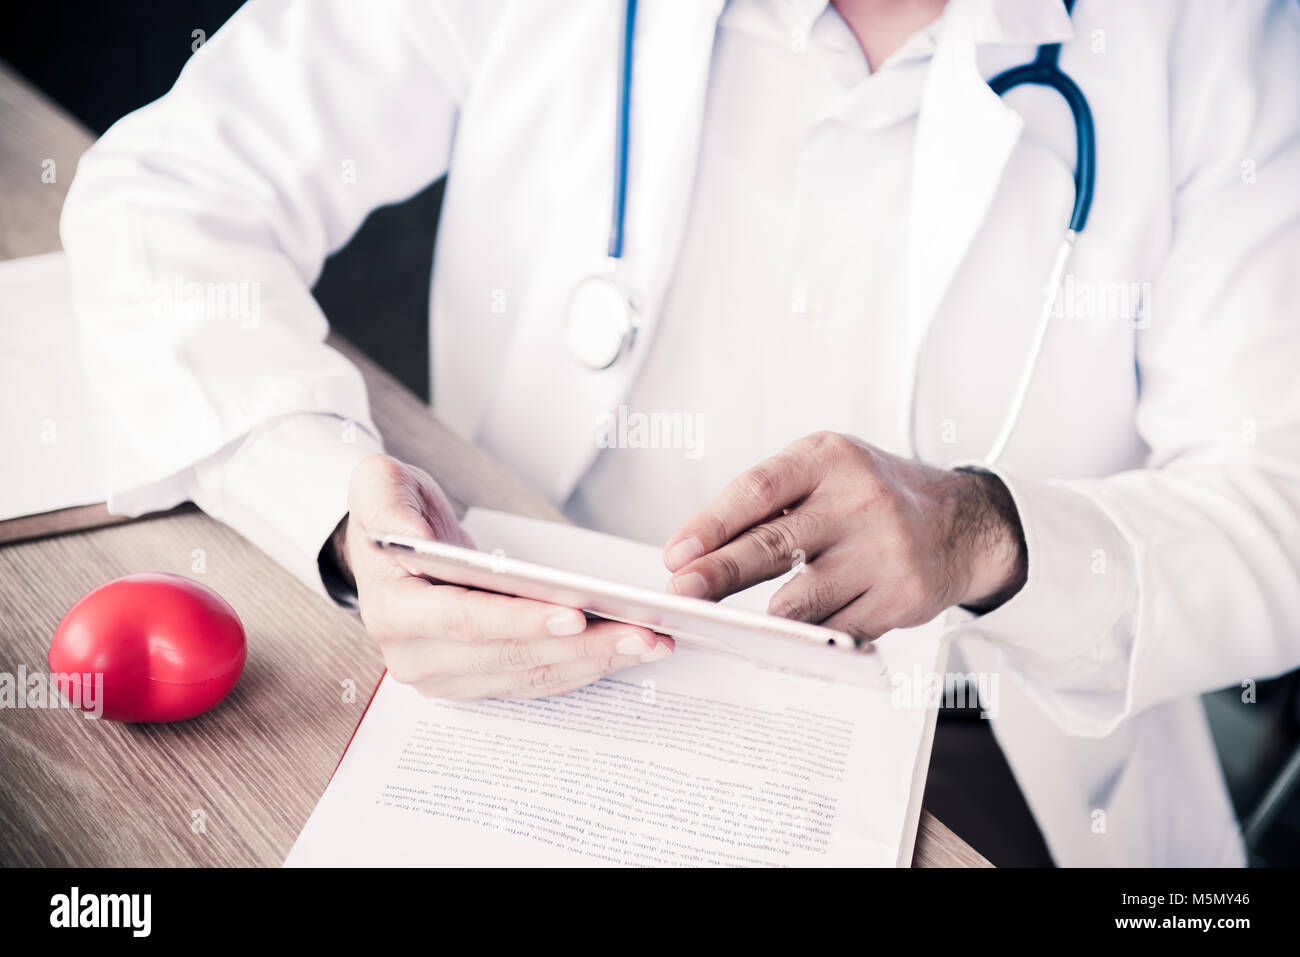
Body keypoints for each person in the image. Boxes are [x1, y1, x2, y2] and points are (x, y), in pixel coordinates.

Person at [59, 0, 1300, 866]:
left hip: (981, 739)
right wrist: (332, 506)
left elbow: (1279, 497)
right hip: (527, 672)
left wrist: (987, 533)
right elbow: (169, 195)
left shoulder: (1224, 41)